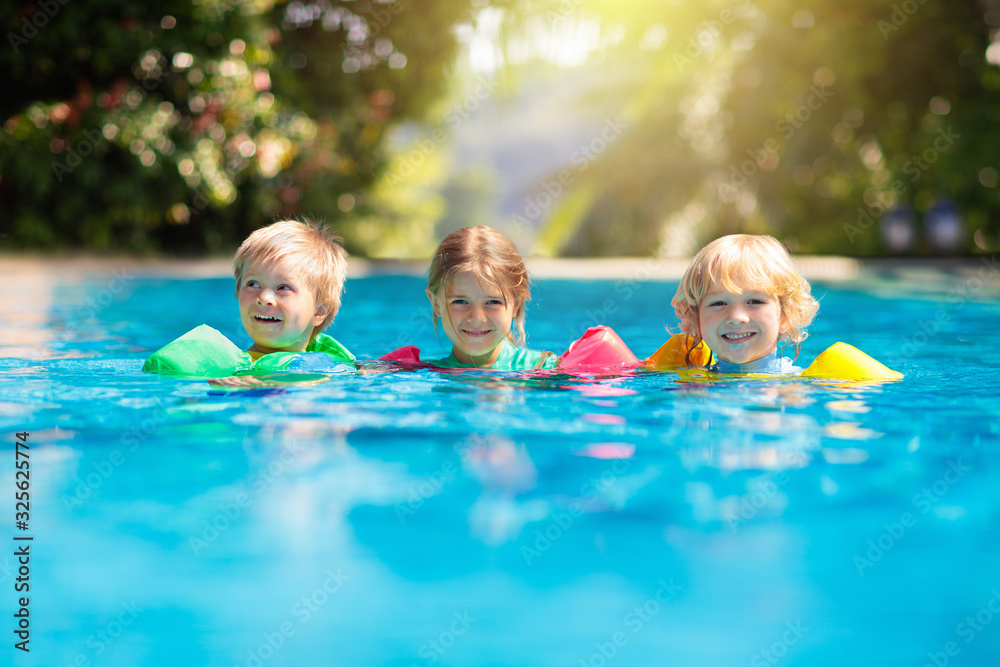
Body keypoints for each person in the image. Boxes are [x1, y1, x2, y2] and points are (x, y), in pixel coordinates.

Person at [143, 219, 354, 382]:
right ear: (237, 291)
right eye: (253, 284)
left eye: (283, 287)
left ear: (319, 311)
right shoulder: (231, 370)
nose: (264, 298)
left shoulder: (336, 365)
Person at [646, 234, 818, 373]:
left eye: (754, 301)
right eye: (718, 303)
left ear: (785, 316)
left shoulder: (797, 386)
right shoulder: (687, 379)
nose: (736, 317)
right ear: (695, 317)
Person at [421, 226, 558, 370]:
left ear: (515, 305)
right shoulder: (419, 370)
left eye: (492, 302)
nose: (476, 318)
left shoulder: (543, 368)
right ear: (436, 304)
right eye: (460, 301)